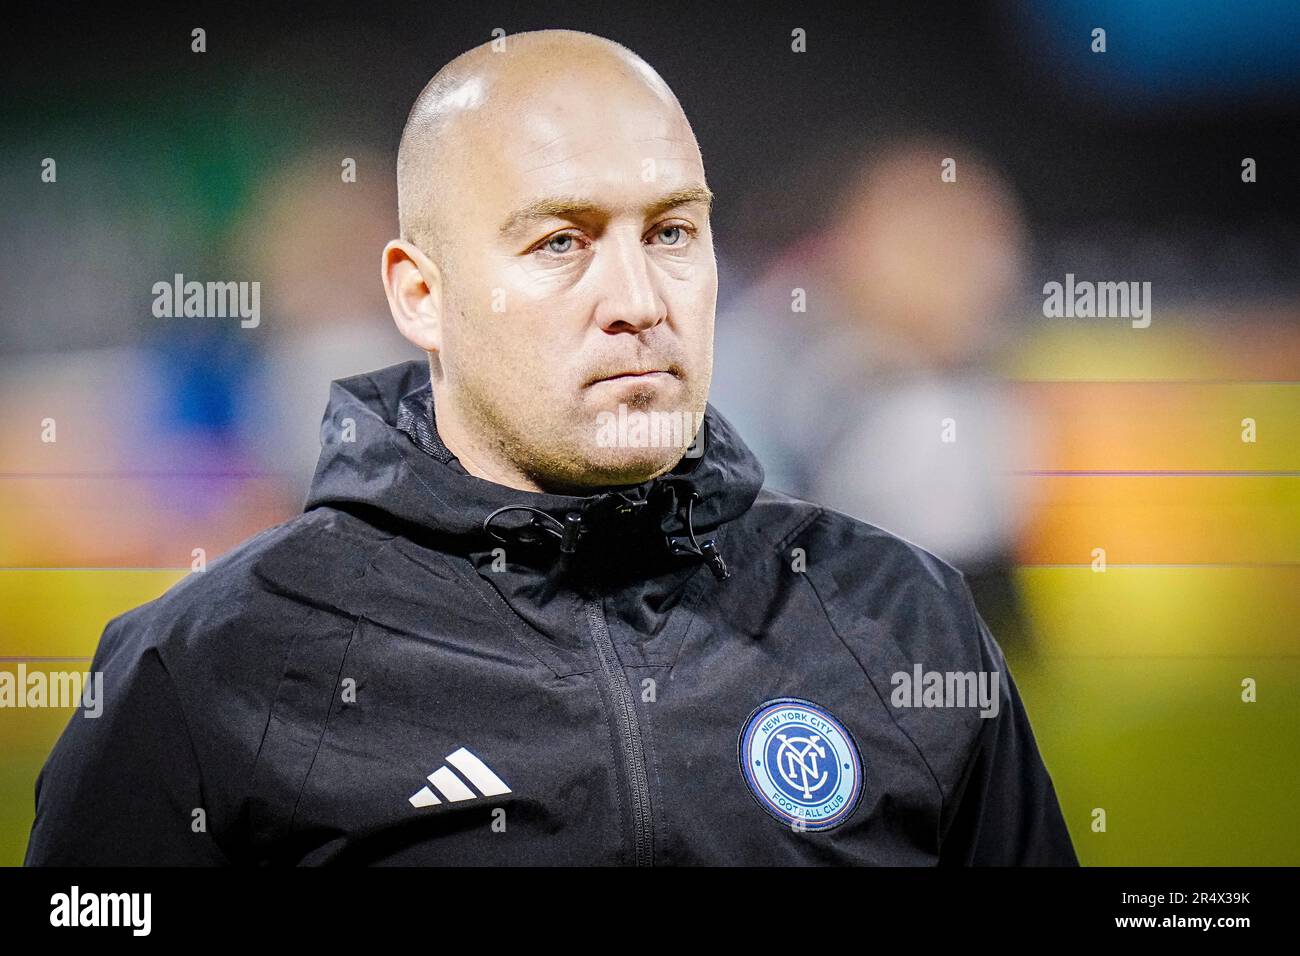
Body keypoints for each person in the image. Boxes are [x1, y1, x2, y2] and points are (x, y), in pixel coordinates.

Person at [25, 29, 1077, 866]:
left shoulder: (902, 618)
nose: (637, 302)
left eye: (671, 232)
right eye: (560, 242)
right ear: (419, 295)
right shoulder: (210, 670)